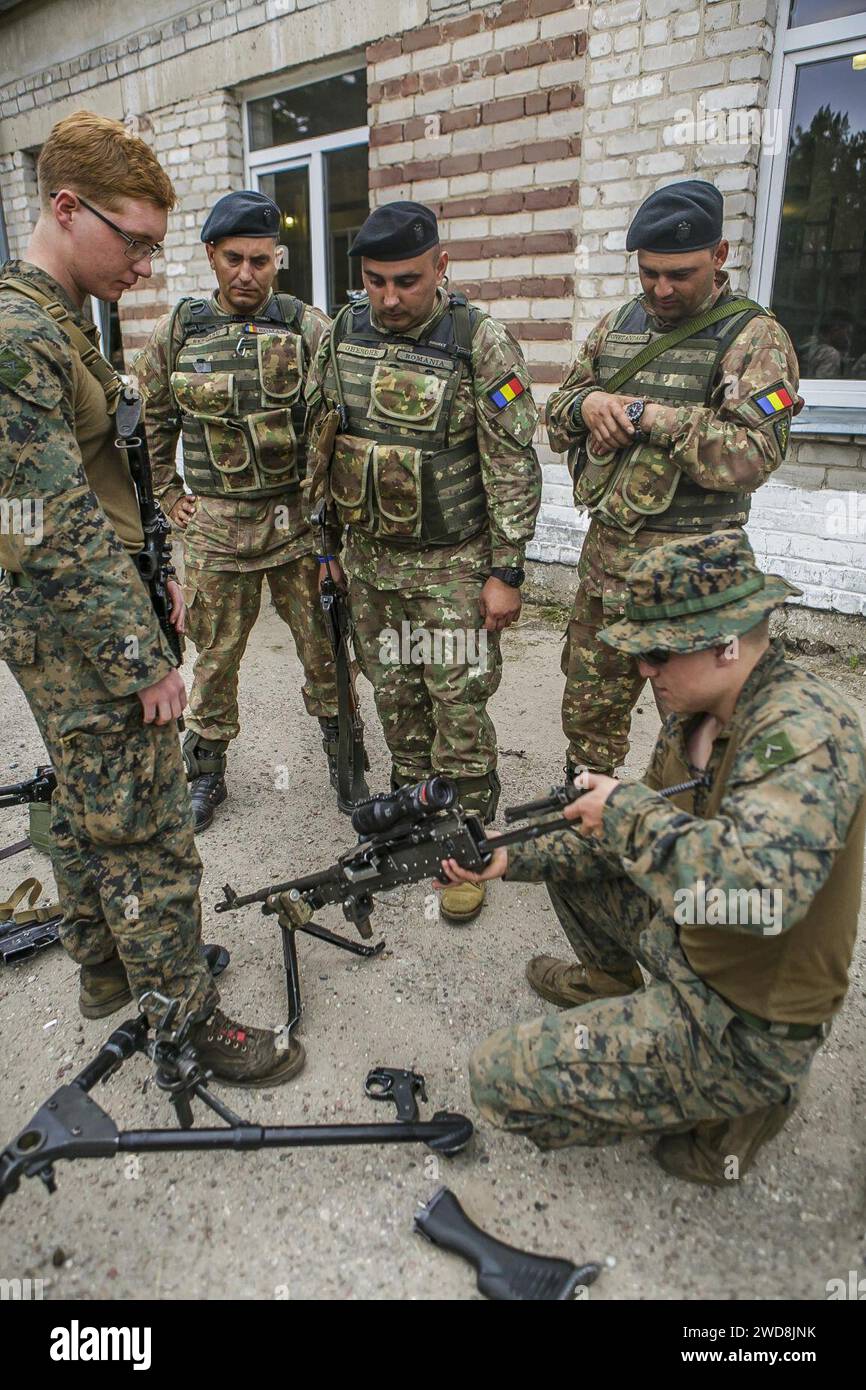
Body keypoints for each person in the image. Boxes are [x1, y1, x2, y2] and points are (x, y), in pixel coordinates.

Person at [0, 111, 302, 1086]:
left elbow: (102, 473)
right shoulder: (18, 337)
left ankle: (104, 969)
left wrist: (153, 564)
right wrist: (145, 661)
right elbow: (43, 521)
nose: (142, 265)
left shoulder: (56, 314)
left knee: (85, 802)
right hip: (79, 628)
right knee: (150, 833)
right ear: (65, 207)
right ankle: (187, 1024)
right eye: (131, 240)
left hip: (81, 613)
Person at [439, 529, 866, 1185]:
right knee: (571, 854)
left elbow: (761, 896)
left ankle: (744, 1102)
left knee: (498, 1080)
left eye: (659, 653)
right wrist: (502, 858)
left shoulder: (806, 733)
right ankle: (617, 990)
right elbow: (637, 834)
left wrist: (622, 811)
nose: (643, 671)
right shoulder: (699, 711)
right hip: (697, 936)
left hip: (746, 1022)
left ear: (727, 644)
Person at [305, 200, 542, 923]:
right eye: (375, 281)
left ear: (442, 266)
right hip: (372, 568)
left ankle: (467, 848)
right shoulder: (344, 332)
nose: (389, 298)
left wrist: (507, 571)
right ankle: (413, 820)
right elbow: (322, 444)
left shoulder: (481, 342)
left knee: (458, 711)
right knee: (396, 700)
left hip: (453, 570)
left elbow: (511, 465)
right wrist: (325, 548)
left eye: (406, 281)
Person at [546, 179, 801, 779]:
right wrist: (587, 409)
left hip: (699, 577)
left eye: (679, 274)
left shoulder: (754, 339)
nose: (661, 289)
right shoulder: (617, 327)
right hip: (608, 565)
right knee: (589, 712)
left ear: (719, 256)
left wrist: (650, 418)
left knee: (698, 728)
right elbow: (555, 414)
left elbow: (754, 454)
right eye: (649, 272)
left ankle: (681, 838)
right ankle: (587, 820)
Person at [133, 189, 353, 831]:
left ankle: (344, 758)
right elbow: (148, 421)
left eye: (262, 260)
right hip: (215, 530)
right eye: (235, 259)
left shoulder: (307, 327)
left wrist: (330, 528)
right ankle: (205, 774)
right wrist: (171, 497)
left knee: (324, 650)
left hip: (294, 528)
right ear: (211, 255)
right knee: (215, 657)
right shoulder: (183, 329)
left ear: (278, 259)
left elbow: (339, 422)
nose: (248, 274)